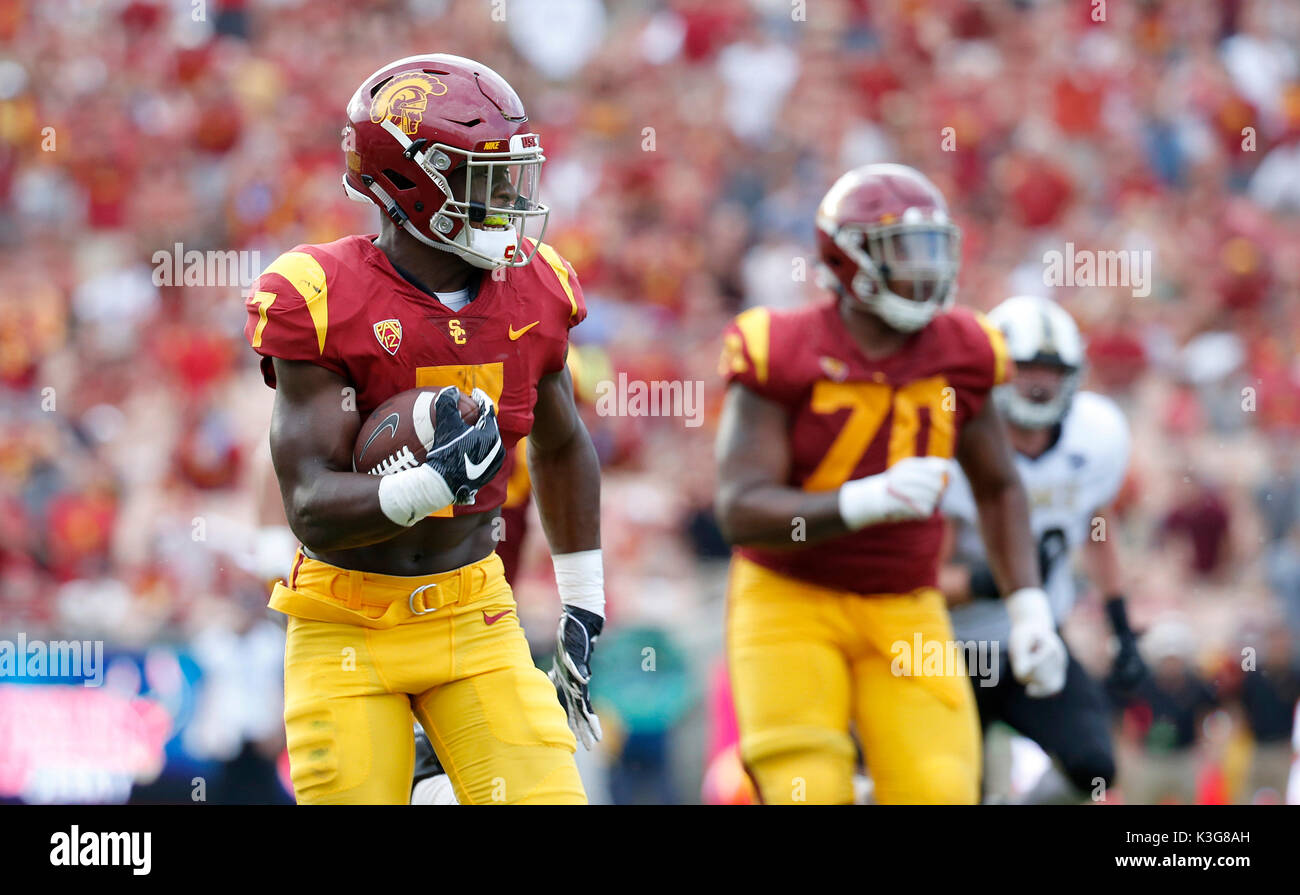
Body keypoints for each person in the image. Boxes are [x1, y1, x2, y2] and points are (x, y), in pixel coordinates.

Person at [243, 54, 604, 805]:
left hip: (474, 610)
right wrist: (429, 483)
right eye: (486, 178)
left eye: (513, 175)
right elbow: (307, 501)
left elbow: (564, 441)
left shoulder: (536, 289)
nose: (509, 198)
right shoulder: (319, 296)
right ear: (412, 182)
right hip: (346, 618)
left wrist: (582, 599)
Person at [713, 163, 1066, 804]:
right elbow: (739, 509)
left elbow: (998, 486)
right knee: (808, 790)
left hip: (906, 603)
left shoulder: (965, 348)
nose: (924, 267)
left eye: (933, 247)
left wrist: (1029, 606)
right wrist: (863, 501)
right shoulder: (782, 345)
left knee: (940, 788)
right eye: (903, 249)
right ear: (846, 260)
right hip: (788, 598)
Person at [940, 294, 1145, 803]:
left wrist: (1120, 623)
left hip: (1035, 643)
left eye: (1052, 369)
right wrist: (991, 581)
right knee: (951, 788)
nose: (1038, 382)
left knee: (1094, 767)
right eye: (1025, 367)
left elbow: (1097, 530)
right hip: (949, 649)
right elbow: (923, 577)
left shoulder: (1095, 435)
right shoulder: (953, 438)